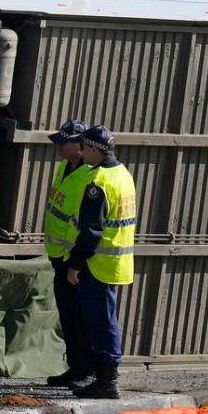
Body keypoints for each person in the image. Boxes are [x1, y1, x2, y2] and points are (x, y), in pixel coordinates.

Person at [66, 125, 136, 399]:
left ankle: (107, 380)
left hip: (99, 263)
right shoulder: (123, 174)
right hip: (116, 260)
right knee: (105, 319)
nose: (81, 153)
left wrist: (76, 263)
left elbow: (92, 230)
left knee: (101, 321)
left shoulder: (99, 183)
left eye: (84, 147)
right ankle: (105, 377)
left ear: (94, 149)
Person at [42, 119, 96, 390]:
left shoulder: (90, 175)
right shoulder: (65, 167)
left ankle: (87, 370)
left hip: (76, 259)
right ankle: (75, 367)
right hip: (59, 255)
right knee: (68, 316)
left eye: (65, 142)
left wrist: (75, 258)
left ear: (82, 145)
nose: (60, 146)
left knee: (81, 316)